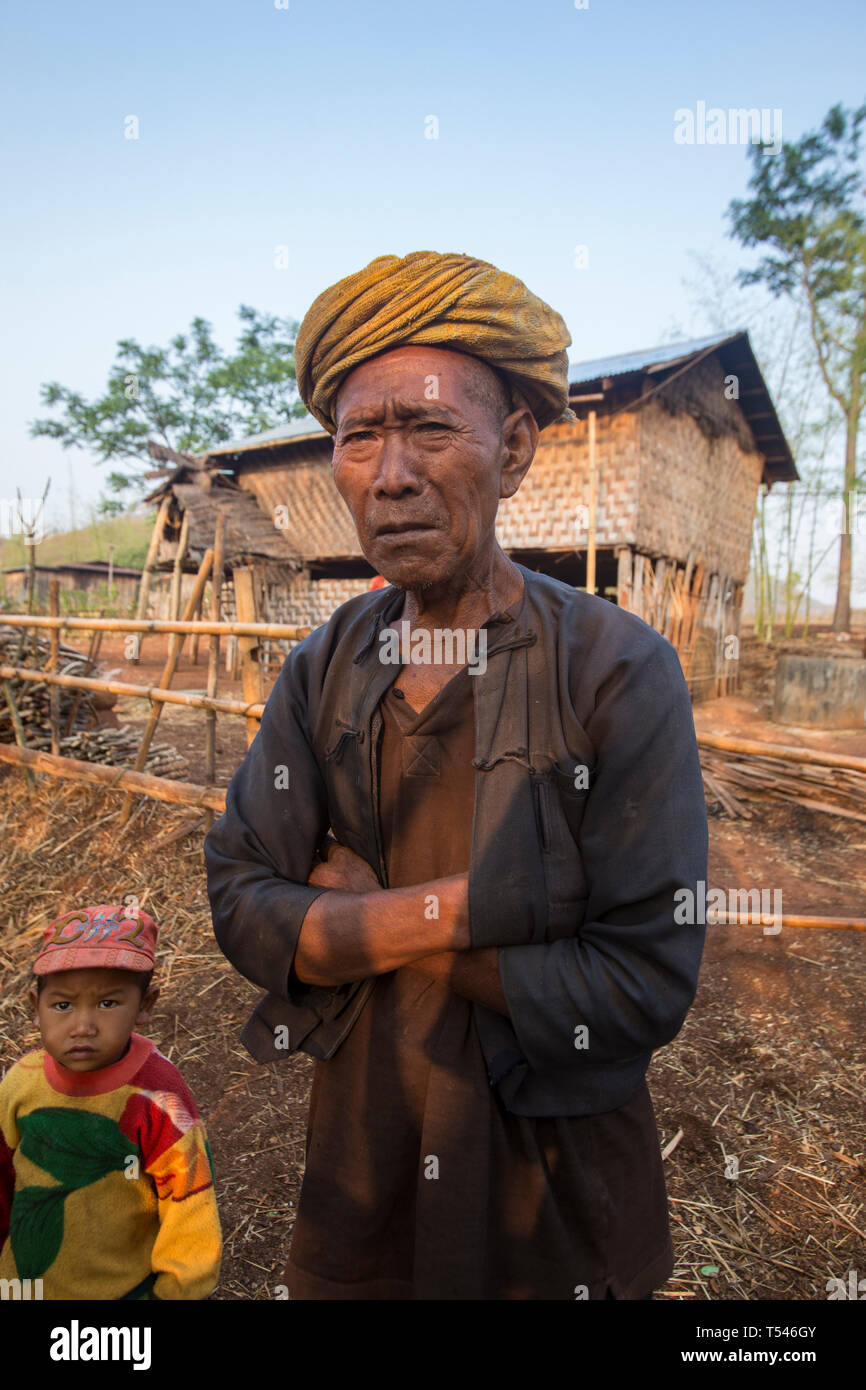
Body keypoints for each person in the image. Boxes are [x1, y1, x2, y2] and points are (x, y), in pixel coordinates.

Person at [204, 250, 708, 1300]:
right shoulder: (323, 666)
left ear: (513, 448)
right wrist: (491, 915)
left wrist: (372, 920)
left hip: (555, 1204)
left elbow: (640, 981)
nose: (390, 475)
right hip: (362, 1174)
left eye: (429, 429)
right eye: (358, 438)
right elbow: (243, 901)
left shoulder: (616, 670)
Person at [0, 903, 222, 1300]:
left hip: (123, 1290)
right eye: (62, 1005)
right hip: (23, 1284)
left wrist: (180, 1289)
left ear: (146, 1006)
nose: (83, 1026)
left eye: (108, 1003)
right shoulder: (21, 1084)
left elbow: (189, 1200)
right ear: (36, 1009)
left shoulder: (157, 1094)